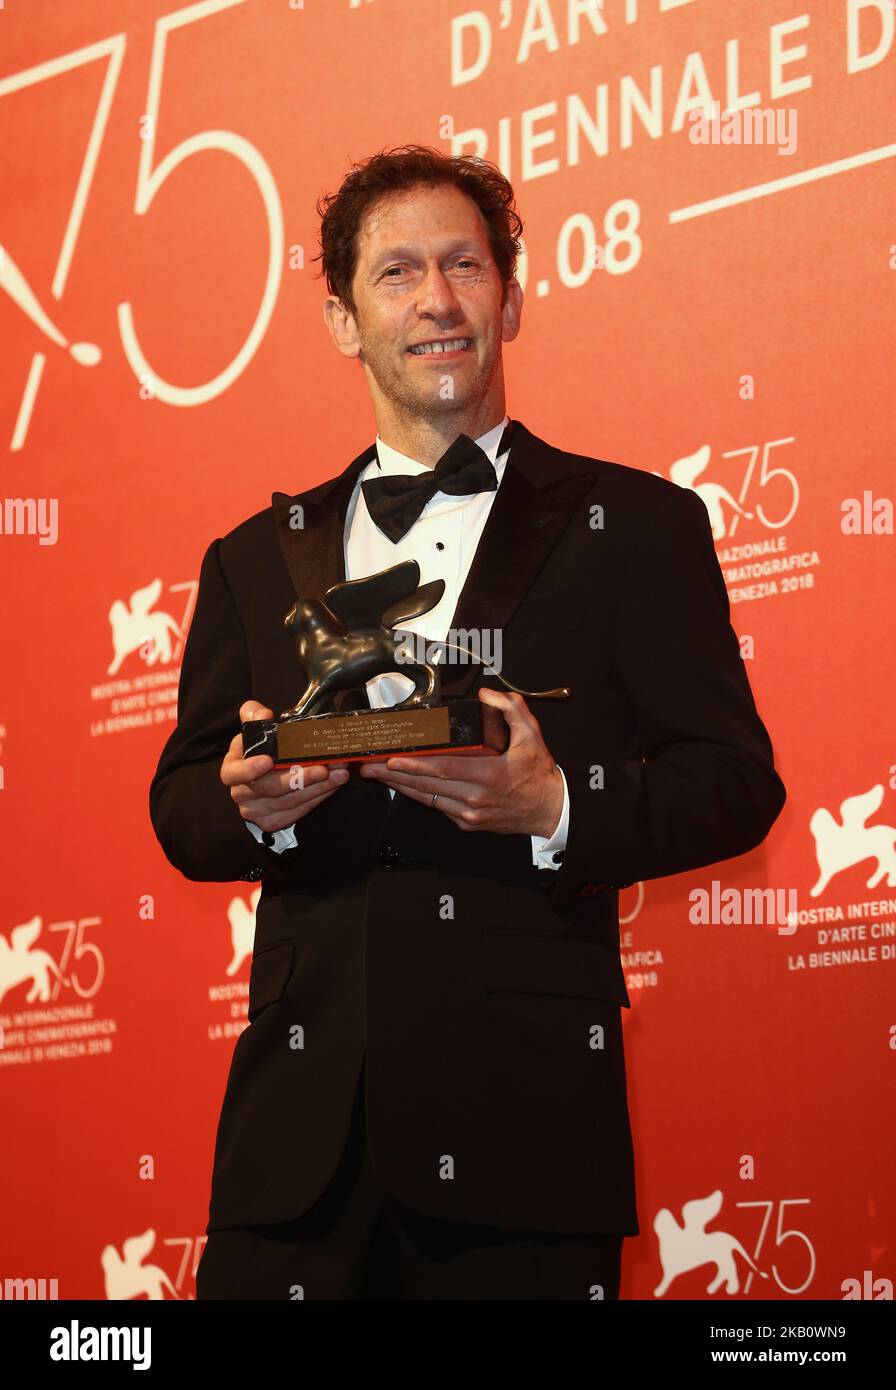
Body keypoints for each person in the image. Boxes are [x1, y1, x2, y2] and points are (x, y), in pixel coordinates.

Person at [149, 145, 786, 1300]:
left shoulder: (633, 524)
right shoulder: (250, 558)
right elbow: (183, 808)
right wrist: (260, 806)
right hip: (292, 1166)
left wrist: (555, 805)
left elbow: (734, 781)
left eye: (464, 266)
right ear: (343, 319)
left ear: (513, 294)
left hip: (525, 1145)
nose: (437, 301)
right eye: (397, 274)